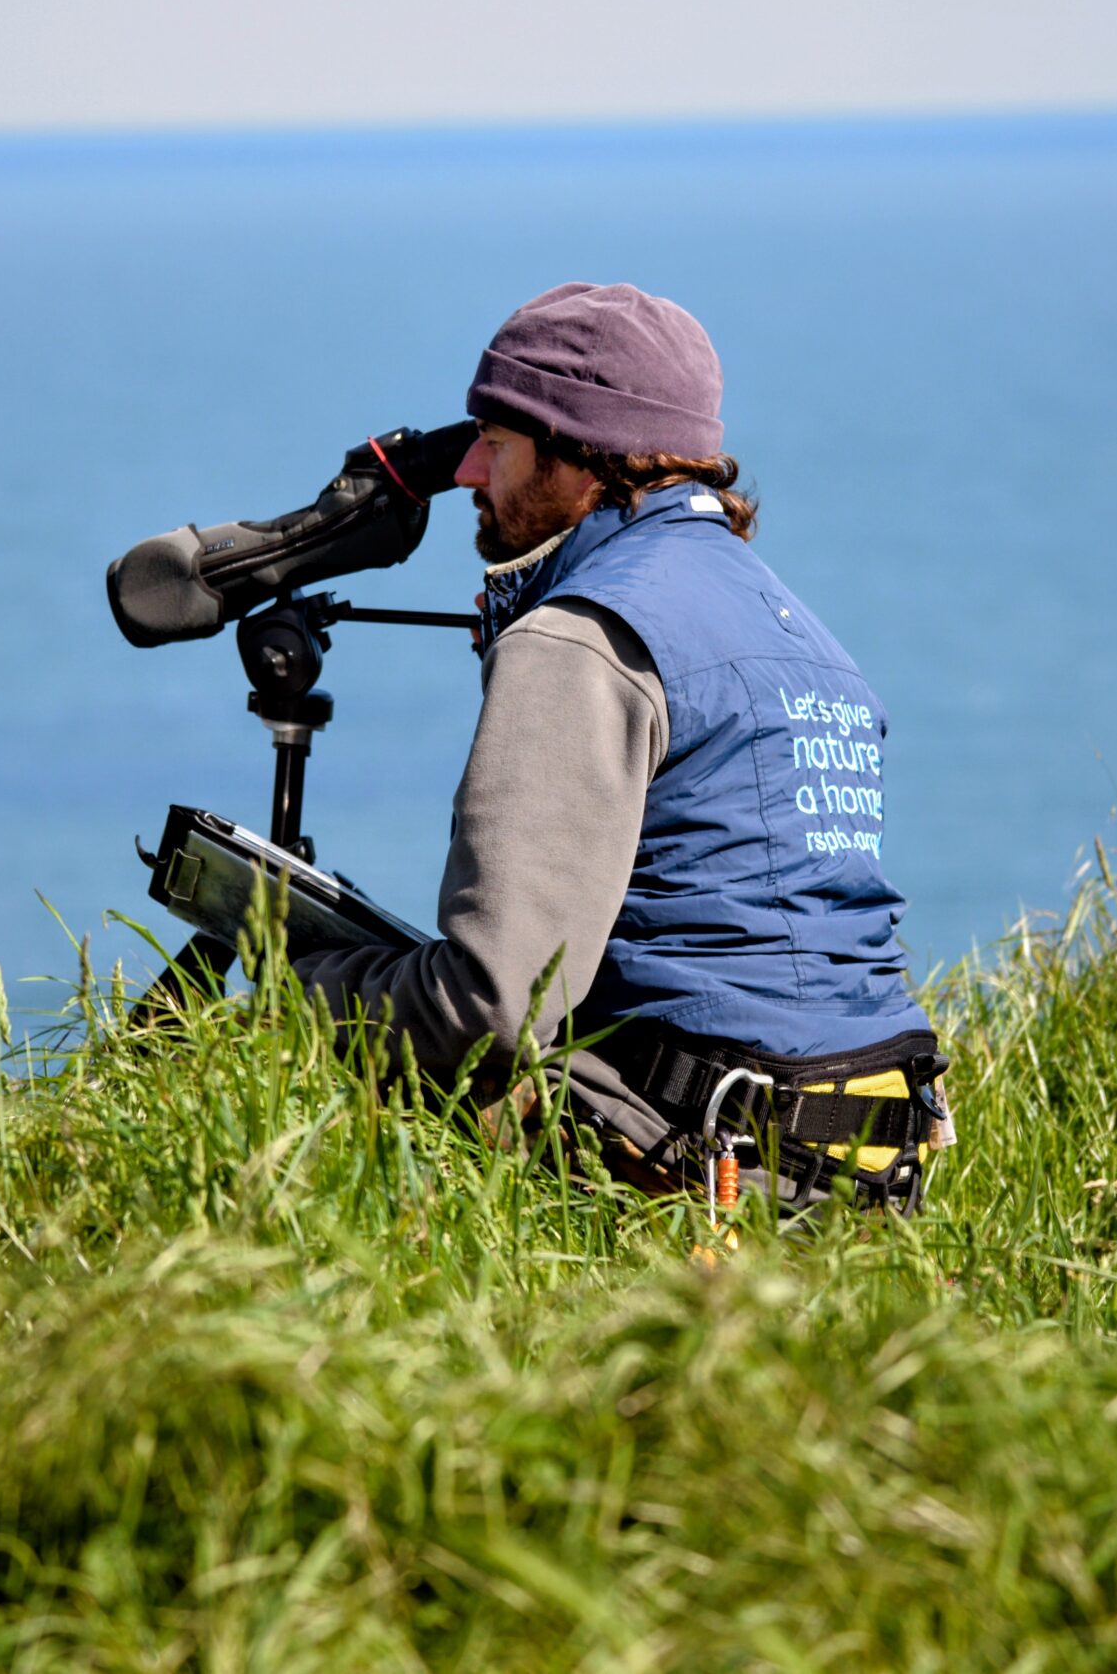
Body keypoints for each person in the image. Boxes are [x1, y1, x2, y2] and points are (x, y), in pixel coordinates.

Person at [295, 282, 948, 1211]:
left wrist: (301, 991)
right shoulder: (805, 636)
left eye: (499, 443)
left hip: (700, 1163)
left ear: (584, 462)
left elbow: (494, 1008)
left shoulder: (579, 638)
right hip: (868, 1163)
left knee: (317, 1072)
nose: (472, 474)